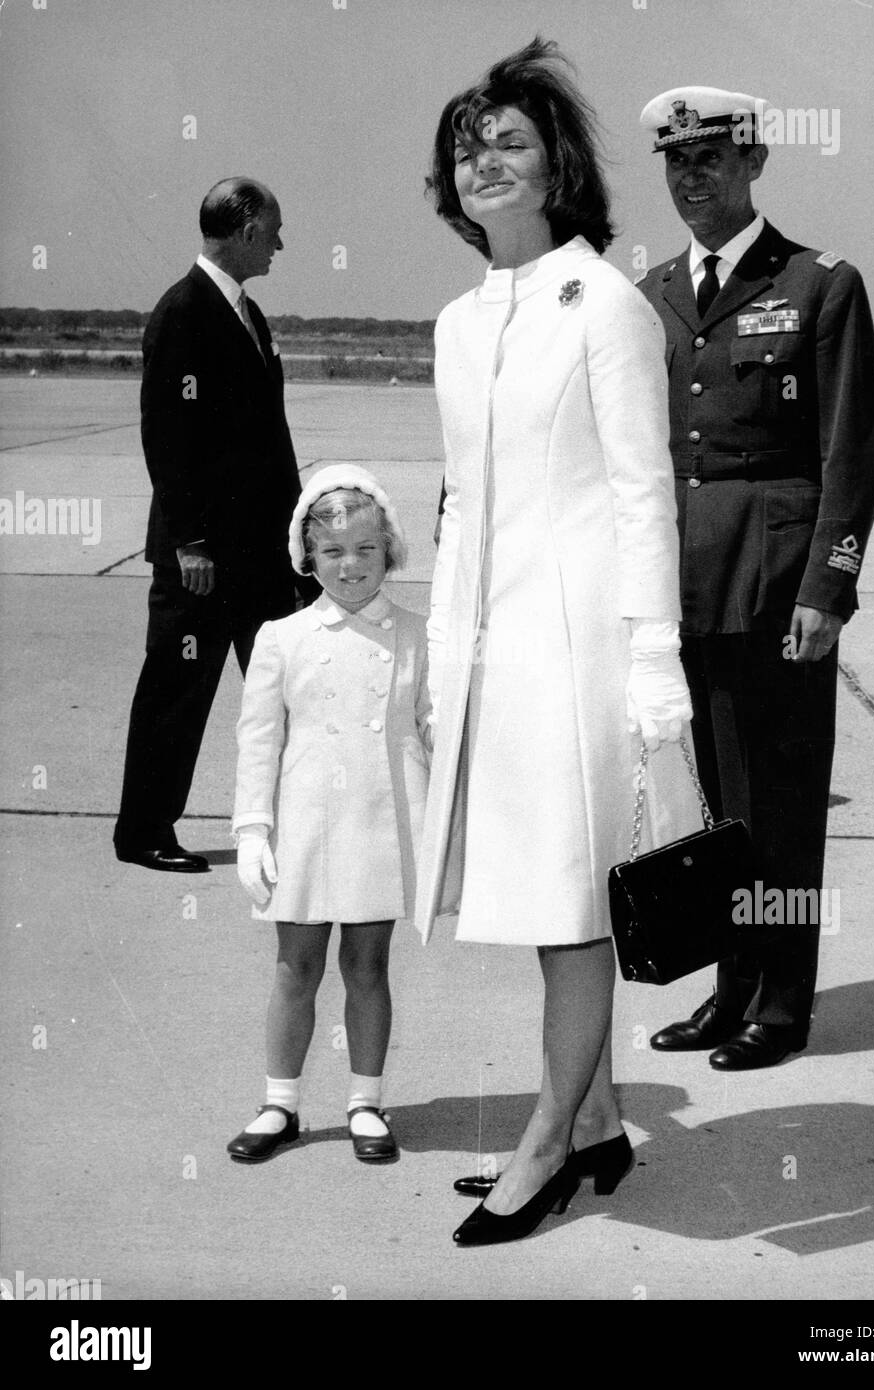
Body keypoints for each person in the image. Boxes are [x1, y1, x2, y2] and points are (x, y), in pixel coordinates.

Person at [416, 39, 700, 1246]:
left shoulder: (607, 302)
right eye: (467, 148)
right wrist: (441, 656)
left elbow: (645, 494)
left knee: (573, 899)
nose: (485, 163)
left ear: (557, 168)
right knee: (539, 895)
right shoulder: (458, 319)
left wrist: (652, 664)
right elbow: (464, 504)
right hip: (492, 646)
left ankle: (543, 1142)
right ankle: (595, 1124)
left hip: (582, 645)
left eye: (509, 144)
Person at [635, 88, 874, 1070]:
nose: (690, 178)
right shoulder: (653, 291)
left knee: (778, 800)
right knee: (713, 804)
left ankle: (780, 1001)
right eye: (675, 161)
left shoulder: (819, 285)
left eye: (709, 158)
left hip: (778, 588)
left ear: (752, 163)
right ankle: (727, 983)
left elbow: (849, 455)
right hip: (680, 590)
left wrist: (828, 588)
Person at [227, 465, 432, 1164]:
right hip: (306, 822)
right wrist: (252, 829)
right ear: (307, 556)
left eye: (366, 550)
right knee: (295, 965)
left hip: (380, 820)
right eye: (333, 552)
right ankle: (279, 1104)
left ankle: (365, 1102)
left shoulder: (415, 633)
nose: (350, 567)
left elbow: (431, 732)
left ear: (390, 552)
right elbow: (259, 741)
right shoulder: (280, 638)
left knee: (368, 965)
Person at [114, 178, 314, 873]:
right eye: (275, 230)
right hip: (201, 561)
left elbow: (268, 441)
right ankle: (142, 832)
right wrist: (188, 541)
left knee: (282, 690)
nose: (281, 245)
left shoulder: (245, 315)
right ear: (246, 230)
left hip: (257, 558)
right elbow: (165, 439)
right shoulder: (183, 313)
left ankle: (291, 826)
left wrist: (300, 541)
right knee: (177, 695)